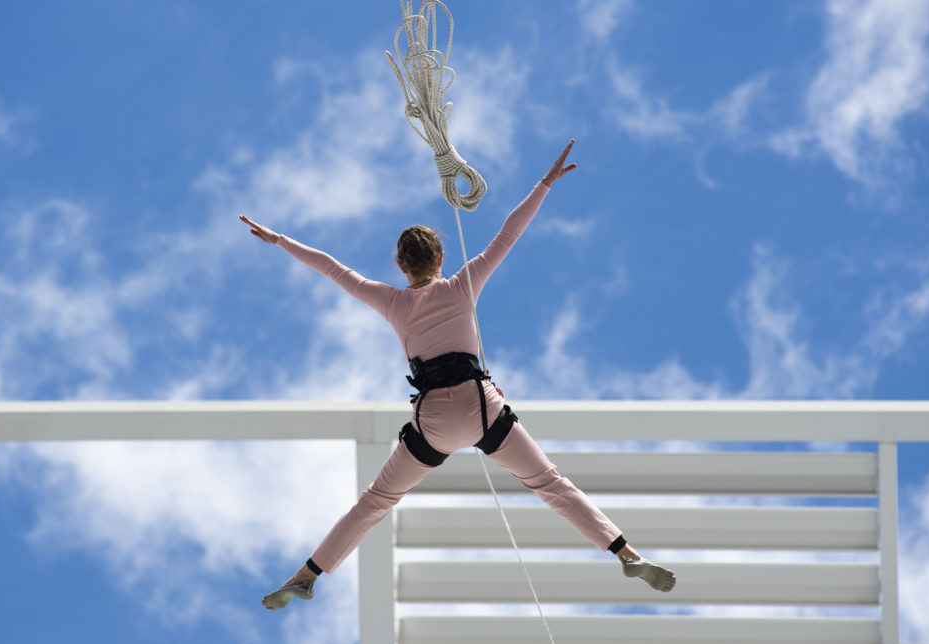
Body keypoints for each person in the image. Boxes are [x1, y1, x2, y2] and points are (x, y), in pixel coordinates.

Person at [240, 140, 676, 610]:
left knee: (376, 501)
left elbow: (333, 269)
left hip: (434, 422)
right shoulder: (462, 285)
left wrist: (280, 241)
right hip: (481, 407)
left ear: (401, 266)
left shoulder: (391, 302)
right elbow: (508, 234)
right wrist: (544, 184)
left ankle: (306, 576)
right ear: (441, 259)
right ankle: (625, 553)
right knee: (551, 485)